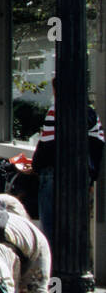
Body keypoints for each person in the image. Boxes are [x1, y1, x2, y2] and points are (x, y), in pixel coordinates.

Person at [33, 77, 105, 236]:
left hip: (54, 175)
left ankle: (54, 260)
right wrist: (91, 177)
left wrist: (35, 166)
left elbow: (47, 146)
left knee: (51, 229)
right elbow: (98, 147)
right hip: (82, 176)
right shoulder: (91, 113)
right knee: (76, 230)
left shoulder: (56, 111)